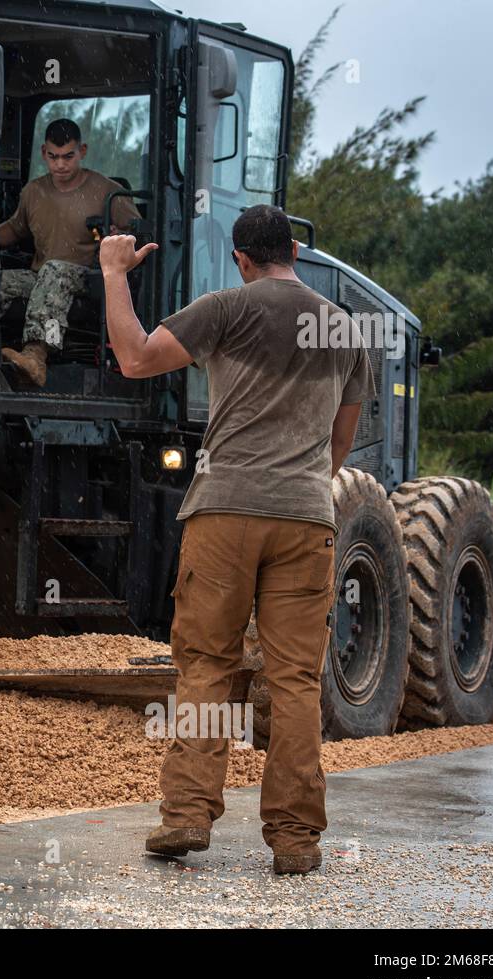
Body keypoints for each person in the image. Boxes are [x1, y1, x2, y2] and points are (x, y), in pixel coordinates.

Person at [98, 204, 376, 876]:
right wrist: (301, 488)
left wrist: (113, 273)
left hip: (223, 511)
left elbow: (134, 358)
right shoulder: (343, 328)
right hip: (306, 517)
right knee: (296, 680)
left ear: (242, 261)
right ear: (295, 255)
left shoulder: (224, 309)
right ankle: (295, 839)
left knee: (208, 667)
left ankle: (188, 817)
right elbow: (342, 440)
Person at [0, 118, 139, 386]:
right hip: (42, 278)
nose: (60, 164)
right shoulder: (34, 192)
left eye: (68, 156)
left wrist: (118, 235)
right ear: (43, 153)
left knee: (55, 269)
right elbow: (15, 230)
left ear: (82, 151)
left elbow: (137, 235)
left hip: (88, 278)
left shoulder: (107, 192)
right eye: (53, 157)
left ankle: (36, 356)